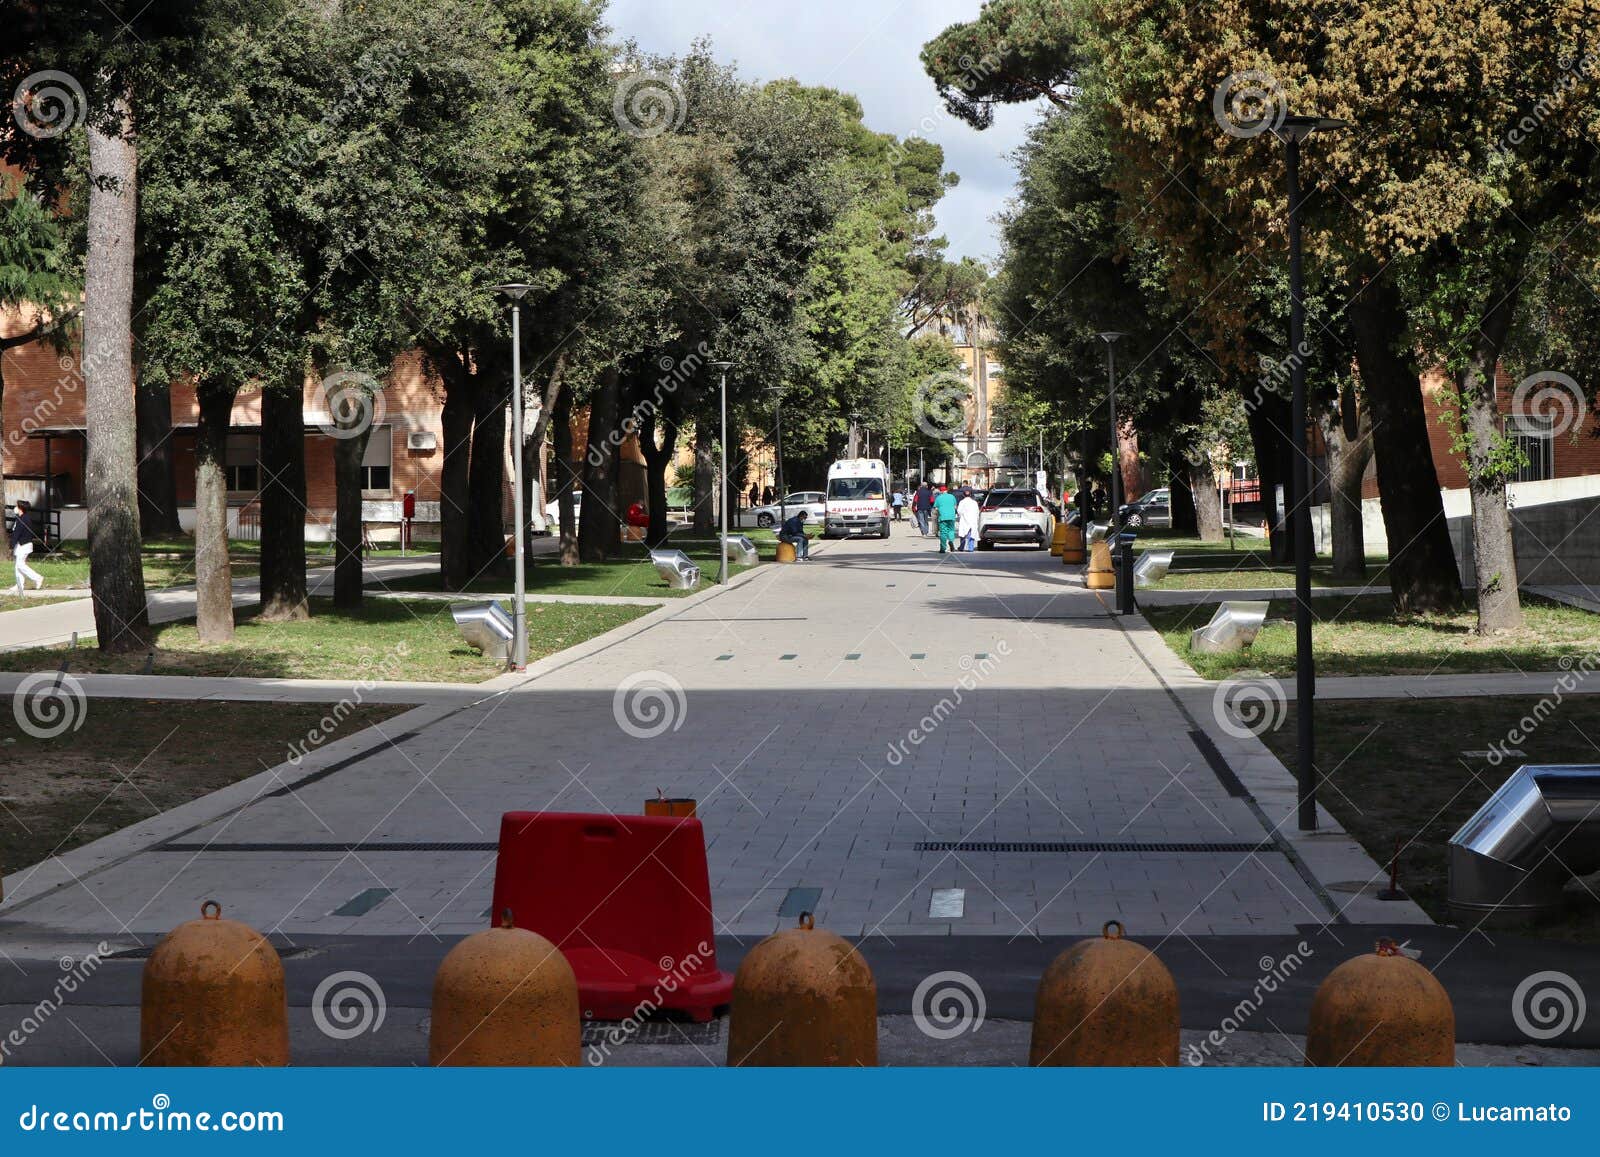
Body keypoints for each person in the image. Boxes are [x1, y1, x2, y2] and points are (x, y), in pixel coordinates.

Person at [9, 500, 43, 595]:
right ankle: (19, 584)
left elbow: (17, 533)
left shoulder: (23, 519)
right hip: (20, 545)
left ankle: (38, 578)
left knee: (20, 565)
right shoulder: (21, 518)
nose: (15, 508)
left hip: (24, 545)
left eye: (16, 506)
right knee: (17, 566)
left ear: (21, 508)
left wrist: (11, 545)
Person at [933, 485, 958, 553]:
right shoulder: (952, 496)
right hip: (951, 516)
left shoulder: (938, 498)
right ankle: (951, 541)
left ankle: (943, 548)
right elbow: (955, 507)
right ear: (946, 490)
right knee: (951, 530)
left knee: (943, 532)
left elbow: (936, 508)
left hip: (943, 517)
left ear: (941, 491)